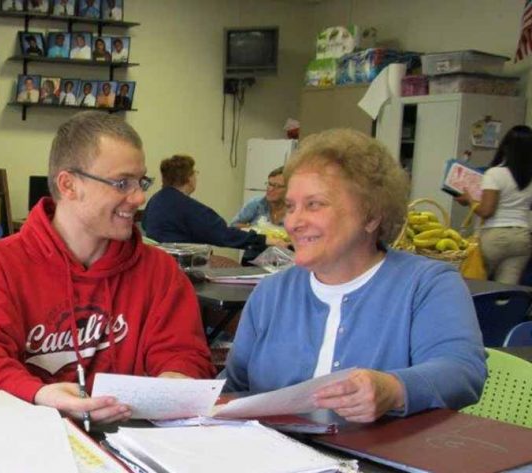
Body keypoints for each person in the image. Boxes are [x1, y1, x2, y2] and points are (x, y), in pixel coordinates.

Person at [0, 112, 214, 425]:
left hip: (130, 443)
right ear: (69, 185)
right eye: (122, 183)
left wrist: (175, 380)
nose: (140, 197)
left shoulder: (160, 272)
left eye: (141, 182)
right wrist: (40, 395)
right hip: (26, 436)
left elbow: (185, 355)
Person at [226, 129, 486, 423]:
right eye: (290, 206)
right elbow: (235, 386)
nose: (294, 222)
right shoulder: (271, 293)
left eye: (315, 204)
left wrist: (393, 388)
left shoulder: (427, 285)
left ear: (371, 216)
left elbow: (462, 370)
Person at [142, 155, 283, 253]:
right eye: (194, 173)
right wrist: (263, 240)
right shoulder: (189, 208)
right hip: (181, 266)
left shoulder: (156, 200)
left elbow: (144, 224)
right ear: (189, 178)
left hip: (159, 263)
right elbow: (222, 234)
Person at [455, 125, 532, 284]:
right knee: (505, 290)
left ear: (505, 147)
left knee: (477, 284)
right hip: (522, 238)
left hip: (495, 237)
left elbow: (486, 211)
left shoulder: (495, 173)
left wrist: (469, 200)